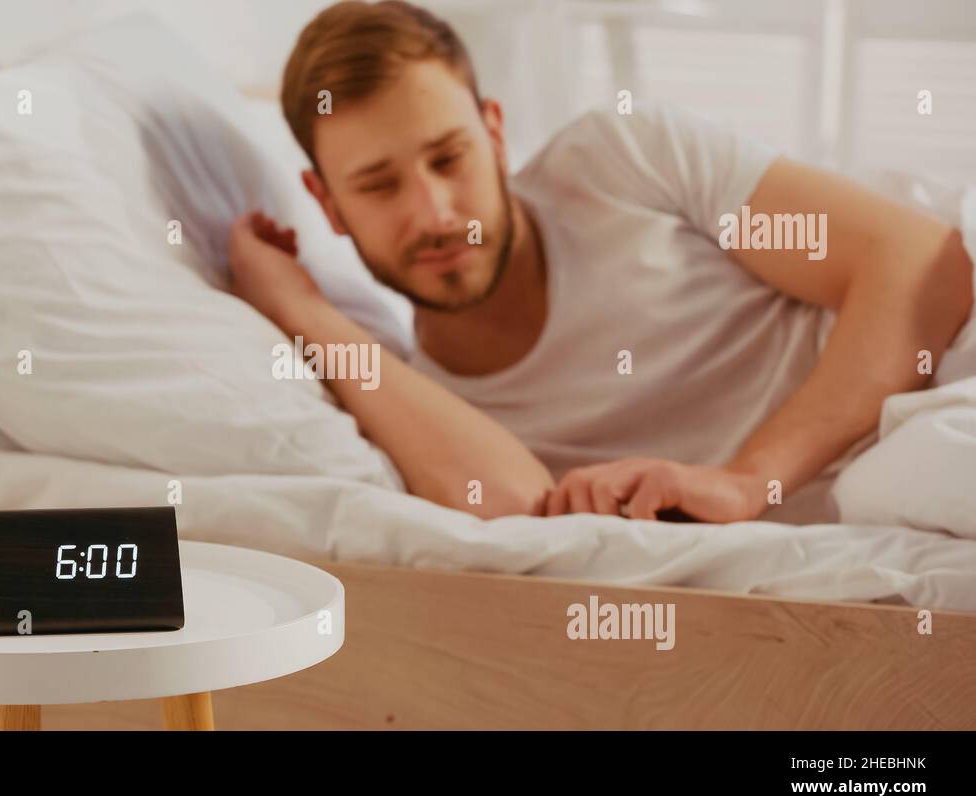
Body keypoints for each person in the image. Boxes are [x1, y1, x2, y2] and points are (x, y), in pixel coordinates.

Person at [227, 0, 974, 523]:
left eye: (448, 157)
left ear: (493, 132)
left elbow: (919, 261)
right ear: (326, 206)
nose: (434, 213)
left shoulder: (619, 160)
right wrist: (303, 309)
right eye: (378, 185)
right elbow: (516, 509)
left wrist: (748, 482)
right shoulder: (417, 402)